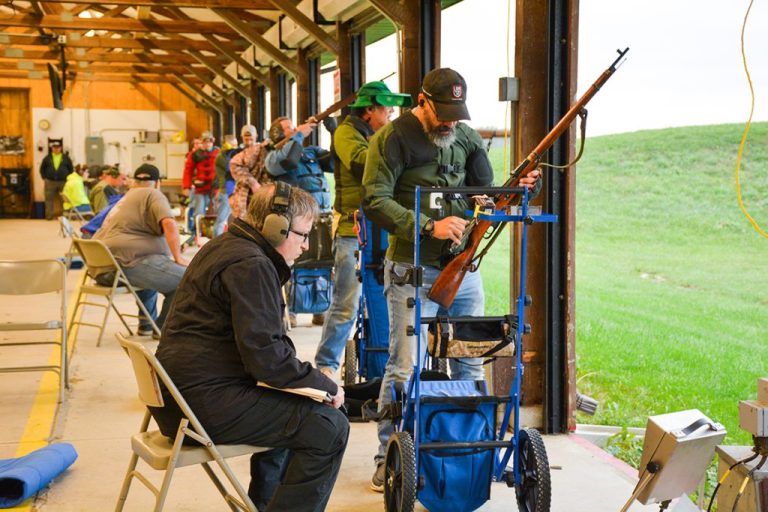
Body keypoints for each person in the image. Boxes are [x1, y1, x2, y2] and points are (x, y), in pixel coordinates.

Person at [361, 68, 542, 491]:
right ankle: (387, 456)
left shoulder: (466, 138)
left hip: (461, 270)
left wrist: (515, 188)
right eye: (442, 112)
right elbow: (374, 199)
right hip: (412, 269)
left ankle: (468, 451)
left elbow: (486, 190)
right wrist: (428, 226)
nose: (449, 122)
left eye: (456, 114)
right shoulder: (391, 139)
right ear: (421, 101)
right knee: (404, 364)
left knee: (469, 356)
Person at [152, 182, 348, 512]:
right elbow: (267, 360)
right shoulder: (251, 265)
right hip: (198, 406)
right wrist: (325, 386)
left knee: (293, 404)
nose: (304, 247)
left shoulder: (226, 246)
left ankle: (266, 504)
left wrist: (307, 384)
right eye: (302, 235)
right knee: (329, 427)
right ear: (276, 228)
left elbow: (265, 354)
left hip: (177, 398)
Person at [313, 81, 413, 376]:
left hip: (380, 230)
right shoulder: (347, 132)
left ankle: (383, 365)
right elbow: (361, 163)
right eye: (387, 109)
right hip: (351, 230)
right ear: (370, 110)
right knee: (347, 302)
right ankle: (325, 367)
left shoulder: (371, 134)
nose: (391, 113)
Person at [93, 163, 188, 336]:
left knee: (153, 267)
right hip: (123, 265)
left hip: (102, 265)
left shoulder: (125, 197)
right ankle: (164, 331)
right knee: (187, 279)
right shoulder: (153, 194)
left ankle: (146, 325)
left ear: (135, 181)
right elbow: (168, 223)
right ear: (158, 182)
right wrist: (178, 256)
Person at [265, 116, 334, 327]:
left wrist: (334, 133)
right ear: (277, 135)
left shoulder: (311, 151)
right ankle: (290, 311)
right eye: (288, 129)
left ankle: (320, 307)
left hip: (322, 216)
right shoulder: (273, 157)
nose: (294, 129)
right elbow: (289, 161)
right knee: (293, 265)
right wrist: (298, 135)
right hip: (295, 219)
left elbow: (333, 162)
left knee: (322, 262)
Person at [182, 131, 220, 240]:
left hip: (215, 188)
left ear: (213, 142)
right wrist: (186, 186)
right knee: (199, 212)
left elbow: (223, 170)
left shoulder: (218, 153)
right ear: (201, 143)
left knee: (216, 211)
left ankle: (215, 234)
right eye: (205, 142)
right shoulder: (194, 155)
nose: (207, 145)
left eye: (210, 142)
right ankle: (197, 234)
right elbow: (188, 171)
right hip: (200, 188)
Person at [39, 140, 74, 220]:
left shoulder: (66, 158)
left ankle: (65, 216)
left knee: (64, 199)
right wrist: (44, 178)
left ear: (60, 148)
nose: (56, 149)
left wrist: (68, 178)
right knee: (49, 200)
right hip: (50, 182)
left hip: (63, 181)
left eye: (58, 147)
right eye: (54, 147)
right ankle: (49, 216)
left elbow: (71, 169)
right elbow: (42, 169)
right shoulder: (47, 158)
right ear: (52, 148)